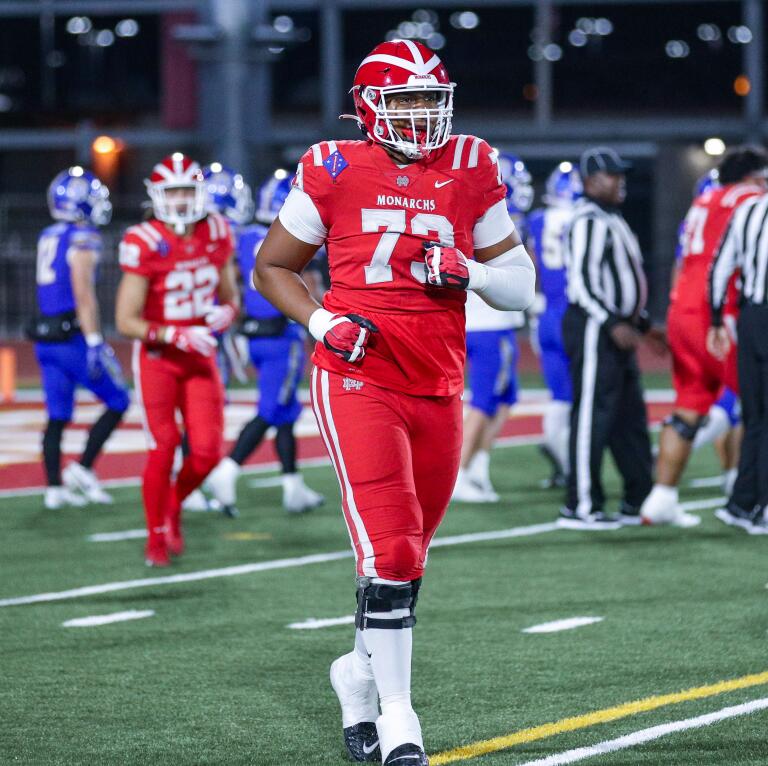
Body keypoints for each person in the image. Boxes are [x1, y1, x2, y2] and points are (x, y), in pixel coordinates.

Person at [252, 40, 535, 765]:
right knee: (392, 544)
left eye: (430, 100)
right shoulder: (334, 166)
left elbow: (520, 285)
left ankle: (355, 672)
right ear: (369, 107)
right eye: (404, 100)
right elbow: (273, 267)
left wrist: (469, 269)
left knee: (405, 559)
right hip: (357, 372)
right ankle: (399, 715)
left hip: (438, 380)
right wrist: (322, 320)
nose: (419, 115)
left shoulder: (470, 165)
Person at [115, 153, 239, 566]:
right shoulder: (145, 240)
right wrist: (173, 333)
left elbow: (230, 295)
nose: (183, 199)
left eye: (189, 190)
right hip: (159, 357)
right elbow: (126, 320)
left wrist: (228, 313)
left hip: (200, 355)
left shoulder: (217, 230)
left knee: (206, 452)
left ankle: (173, 506)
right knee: (164, 446)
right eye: (174, 191)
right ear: (157, 196)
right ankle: (155, 538)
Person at [641, 148, 768, 526]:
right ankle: (745, 492)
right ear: (751, 177)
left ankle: (661, 497)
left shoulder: (704, 199)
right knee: (755, 401)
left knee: (691, 404)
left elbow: (684, 260)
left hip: (683, 310)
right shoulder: (750, 199)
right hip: (720, 313)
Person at [203, 165, 324, 515]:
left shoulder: (242, 237)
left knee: (285, 411)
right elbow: (310, 286)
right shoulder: (291, 235)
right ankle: (228, 469)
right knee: (271, 410)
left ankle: (292, 485)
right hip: (280, 334)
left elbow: (235, 282)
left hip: (252, 334)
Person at [559, 147, 661, 530]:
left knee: (629, 415)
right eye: (611, 176)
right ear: (589, 182)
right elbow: (583, 283)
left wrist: (643, 324)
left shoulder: (611, 218)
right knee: (591, 414)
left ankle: (638, 499)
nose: (620, 182)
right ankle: (580, 504)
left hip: (616, 327)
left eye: (621, 175)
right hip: (593, 326)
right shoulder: (587, 219)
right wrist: (611, 322)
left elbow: (626, 282)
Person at [30, 167, 129, 510]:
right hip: (73, 338)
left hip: (46, 338)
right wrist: (94, 341)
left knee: (57, 414)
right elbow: (83, 293)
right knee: (118, 400)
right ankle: (83, 468)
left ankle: (54, 489)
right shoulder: (82, 238)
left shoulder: (49, 234)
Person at [452, 152, 533, 502]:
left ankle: (478, 467)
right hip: (487, 320)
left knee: (503, 397)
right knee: (484, 401)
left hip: (491, 320)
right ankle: (458, 475)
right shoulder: (486, 215)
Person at [708, 150, 768, 534]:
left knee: (755, 415)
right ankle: (759, 506)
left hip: (751, 318)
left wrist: (716, 319)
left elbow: (720, 265)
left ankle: (742, 503)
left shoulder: (747, 211)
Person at [526, 162, 583, 488]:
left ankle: (557, 450)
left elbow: (532, 264)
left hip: (545, 314)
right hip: (574, 313)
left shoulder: (537, 220)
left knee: (559, 394)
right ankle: (571, 463)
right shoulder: (583, 218)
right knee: (579, 396)